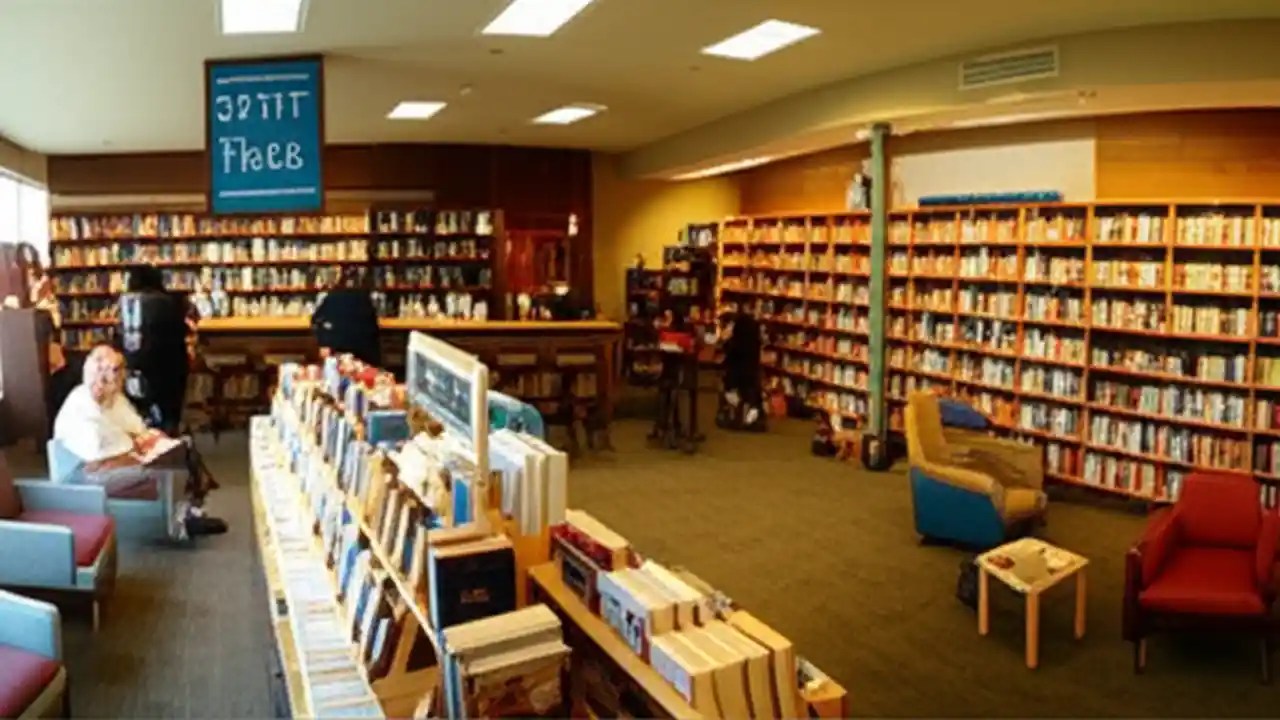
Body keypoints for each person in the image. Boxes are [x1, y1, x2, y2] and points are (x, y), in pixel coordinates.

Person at [52, 345, 225, 538]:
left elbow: (137, 427)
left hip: (117, 460)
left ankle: (190, 511)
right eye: (102, 371)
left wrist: (146, 443)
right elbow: (97, 459)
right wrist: (139, 452)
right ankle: (181, 524)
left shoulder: (114, 399)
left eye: (116, 372)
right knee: (169, 468)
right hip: (85, 474)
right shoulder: (82, 405)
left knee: (183, 447)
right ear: (89, 371)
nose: (108, 379)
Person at [118, 264, 191, 435]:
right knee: (168, 415)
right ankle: (170, 438)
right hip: (166, 370)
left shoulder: (123, 302)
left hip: (131, 370)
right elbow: (180, 332)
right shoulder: (167, 302)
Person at [311, 266, 381, 365]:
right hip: (366, 353)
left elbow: (316, 320)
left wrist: (324, 341)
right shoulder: (365, 299)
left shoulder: (332, 297)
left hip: (339, 352)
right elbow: (374, 326)